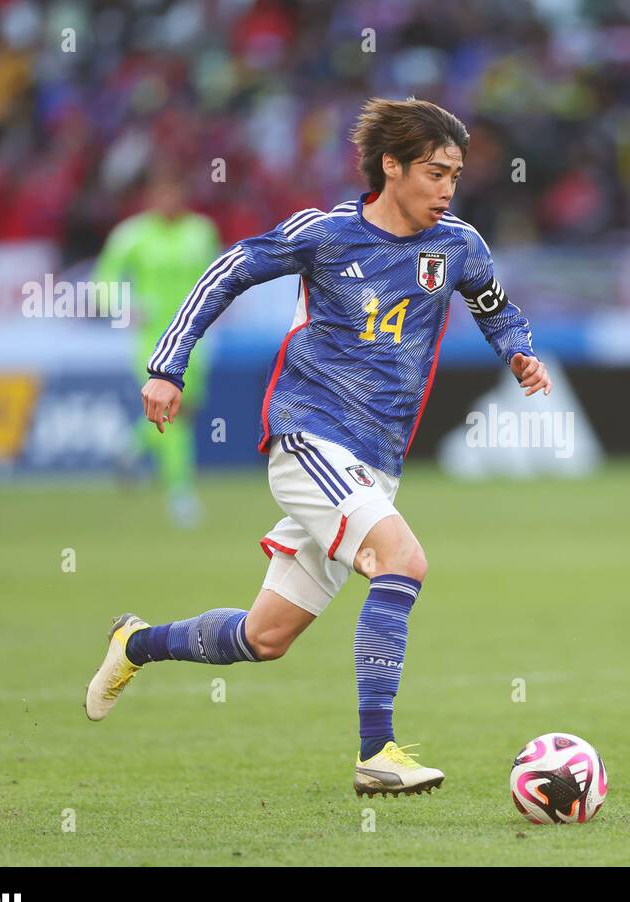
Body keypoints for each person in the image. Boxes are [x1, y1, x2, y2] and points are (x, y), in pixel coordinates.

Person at [85, 97, 552, 796]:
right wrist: (167, 364)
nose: (447, 188)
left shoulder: (457, 245)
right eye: (434, 172)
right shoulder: (326, 233)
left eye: (455, 174)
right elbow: (227, 272)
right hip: (308, 438)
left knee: (264, 638)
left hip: (376, 463)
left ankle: (136, 643)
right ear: (391, 166)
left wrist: (519, 352)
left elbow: (496, 308)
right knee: (403, 560)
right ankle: (377, 752)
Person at [93, 168, 222, 526]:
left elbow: (218, 276)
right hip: (154, 339)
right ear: (151, 196)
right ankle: (181, 494)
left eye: (175, 192)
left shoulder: (201, 232)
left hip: (195, 337)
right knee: (172, 412)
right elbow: (102, 280)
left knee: (186, 410)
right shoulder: (132, 235)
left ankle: (131, 446)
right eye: (162, 193)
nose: (169, 200)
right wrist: (123, 306)